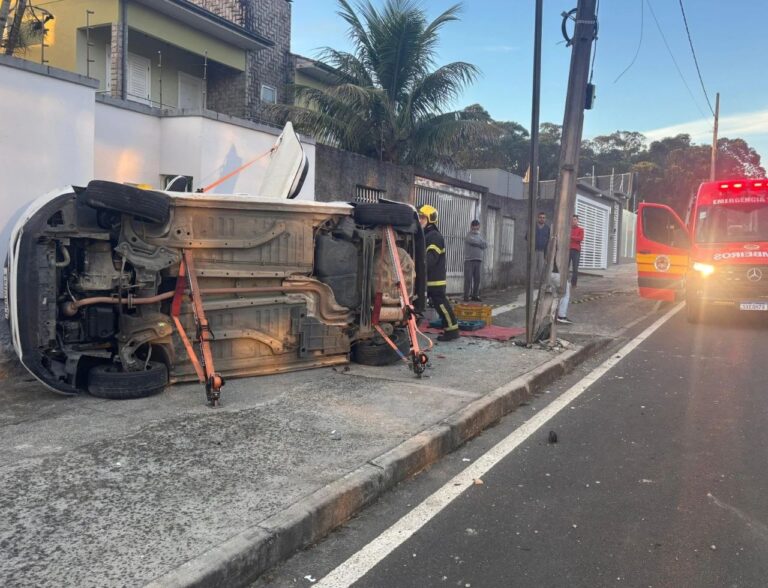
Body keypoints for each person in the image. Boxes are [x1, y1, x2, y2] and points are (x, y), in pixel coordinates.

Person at [419, 204, 460, 342]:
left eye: (422, 217)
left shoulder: (434, 236)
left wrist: (418, 268)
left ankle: (452, 330)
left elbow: (431, 258)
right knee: (438, 304)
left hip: (434, 280)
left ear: (430, 219)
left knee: (441, 304)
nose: (420, 220)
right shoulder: (427, 234)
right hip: (429, 279)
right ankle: (449, 327)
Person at [463, 219, 487, 302]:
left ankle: (475, 295)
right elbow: (473, 242)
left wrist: (480, 242)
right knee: (468, 279)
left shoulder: (480, 236)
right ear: (471, 227)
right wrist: (480, 243)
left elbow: (485, 245)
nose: (476, 229)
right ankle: (466, 296)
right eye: (474, 227)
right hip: (469, 260)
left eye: (477, 227)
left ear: (479, 227)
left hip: (478, 260)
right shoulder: (468, 235)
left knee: (477, 279)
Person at [527, 212, 550, 286]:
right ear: (538, 218)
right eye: (540, 217)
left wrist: (547, 254)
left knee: (541, 270)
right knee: (532, 270)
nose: (542, 219)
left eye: (543, 217)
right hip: (534, 251)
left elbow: (549, 241)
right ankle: (530, 286)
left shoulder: (547, 228)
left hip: (542, 252)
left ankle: (541, 287)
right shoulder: (533, 227)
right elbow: (527, 237)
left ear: (545, 219)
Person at [569, 214, 585, 288]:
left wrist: (571, 237)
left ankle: (574, 284)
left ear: (577, 220)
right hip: (568, 250)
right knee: (565, 267)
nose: (573, 221)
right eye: (572, 219)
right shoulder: (568, 229)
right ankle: (565, 282)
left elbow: (580, 238)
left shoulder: (581, 229)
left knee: (575, 268)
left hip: (576, 251)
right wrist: (574, 238)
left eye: (575, 219)